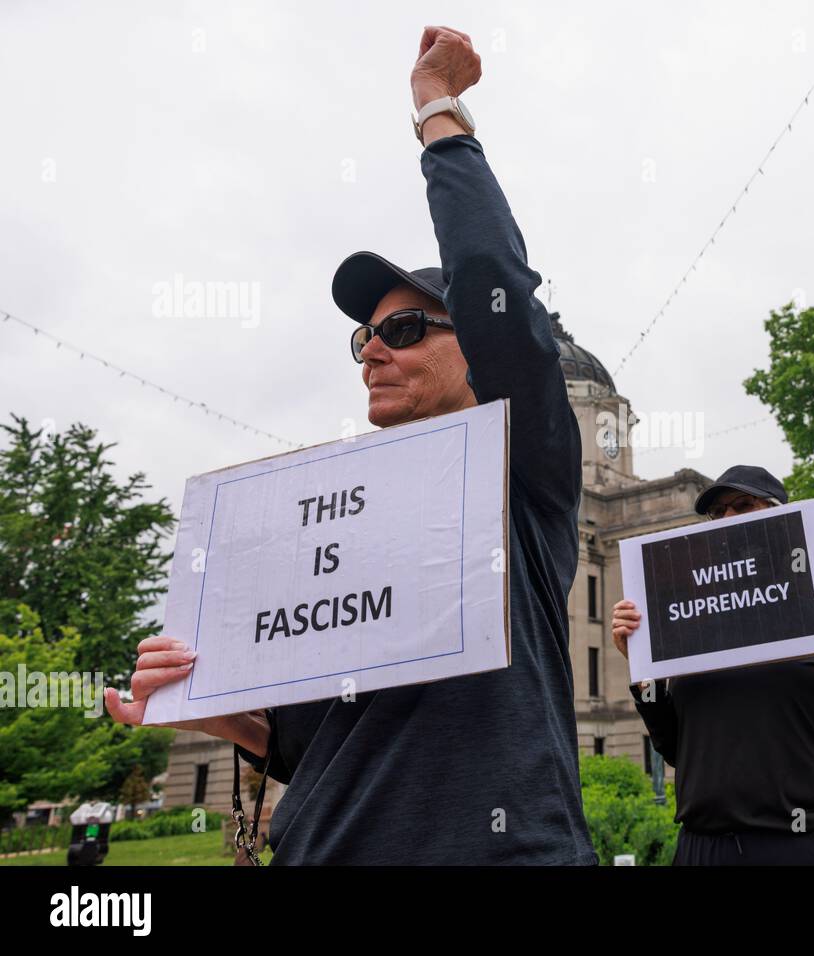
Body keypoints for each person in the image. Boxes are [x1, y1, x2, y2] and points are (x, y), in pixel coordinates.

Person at [105, 26, 596, 864]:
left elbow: (493, 279)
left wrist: (438, 111)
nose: (373, 349)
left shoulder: (521, 480)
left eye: (404, 328)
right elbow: (311, 746)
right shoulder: (328, 530)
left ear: (476, 346)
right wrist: (203, 703)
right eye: (363, 338)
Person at [611, 466, 814, 865]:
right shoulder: (687, 626)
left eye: (744, 506)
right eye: (718, 513)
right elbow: (679, 749)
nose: (728, 520)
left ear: (780, 518)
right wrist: (643, 670)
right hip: (710, 846)